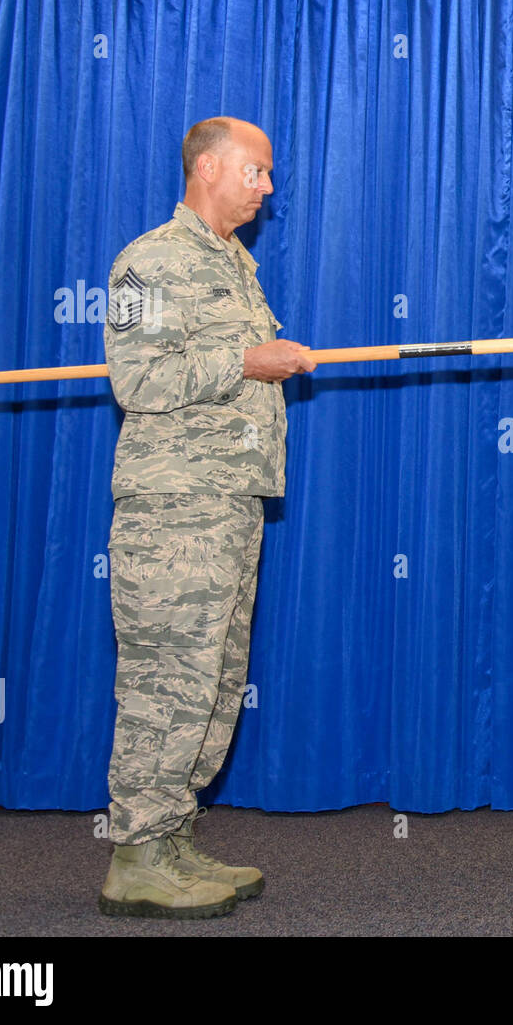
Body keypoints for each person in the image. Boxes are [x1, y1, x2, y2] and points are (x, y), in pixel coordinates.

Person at [98, 118, 316, 918]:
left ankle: (174, 839)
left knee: (214, 686)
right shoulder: (150, 261)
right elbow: (139, 380)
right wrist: (248, 361)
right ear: (210, 166)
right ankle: (136, 856)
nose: (266, 187)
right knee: (165, 684)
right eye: (256, 172)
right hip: (172, 513)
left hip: (227, 505)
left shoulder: (235, 265)